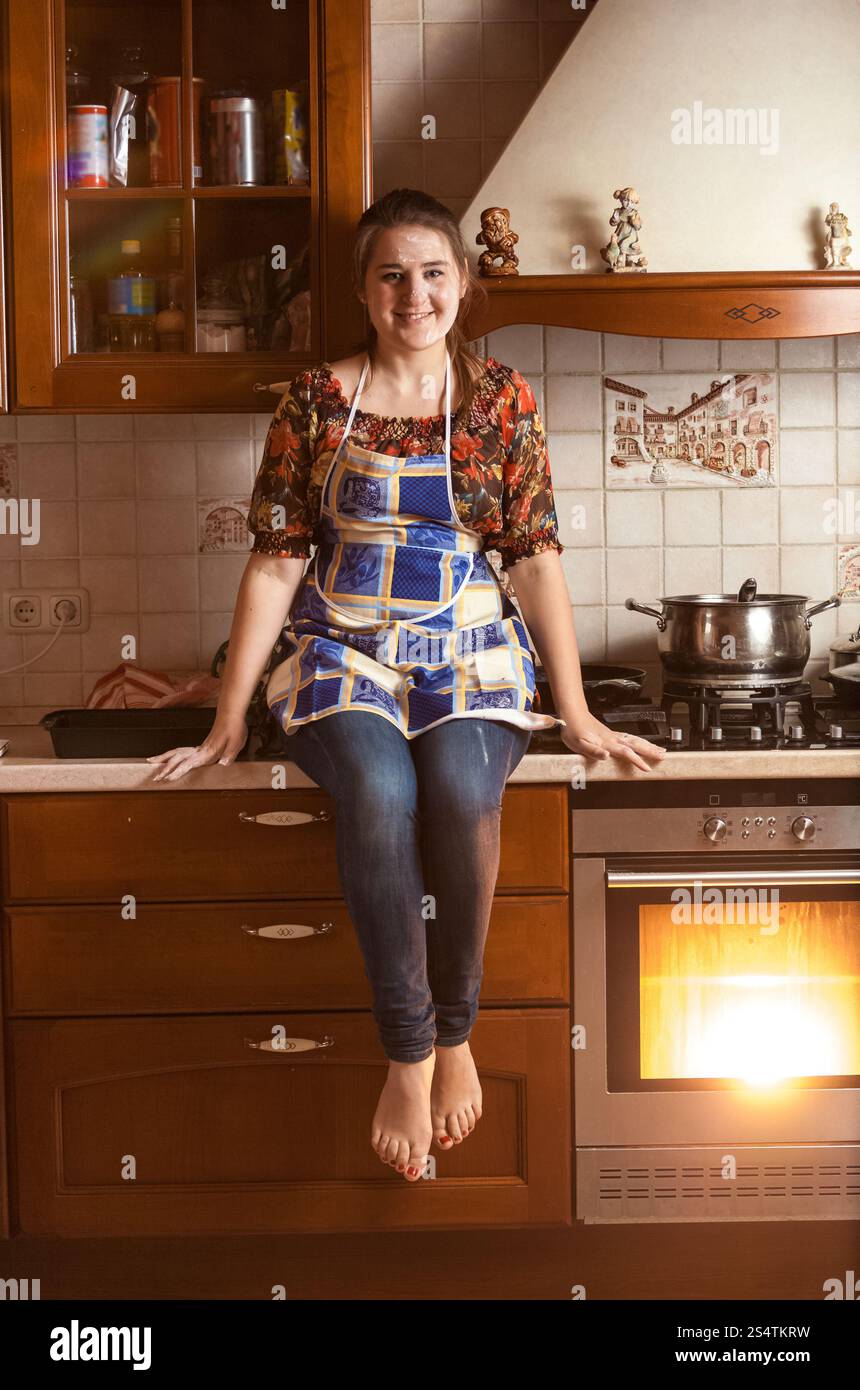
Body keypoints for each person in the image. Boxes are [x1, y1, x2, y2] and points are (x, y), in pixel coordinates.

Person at [147, 187, 665, 1185]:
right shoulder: (315, 400)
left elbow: (532, 559)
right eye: (391, 274)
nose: (412, 292)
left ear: (461, 285)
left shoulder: (499, 402)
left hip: (467, 649)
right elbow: (273, 560)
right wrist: (225, 717)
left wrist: (580, 709)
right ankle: (407, 1050)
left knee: (464, 793)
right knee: (381, 793)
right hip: (340, 650)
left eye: (432, 272)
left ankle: (455, 1029)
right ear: (362, 289)